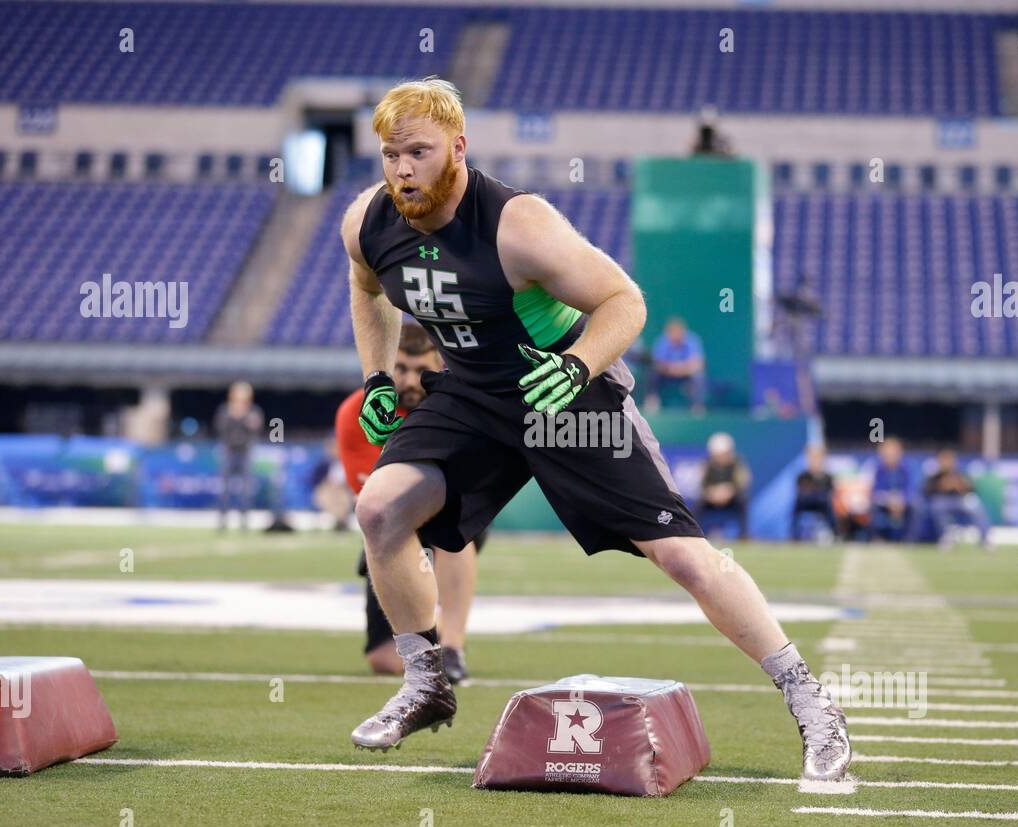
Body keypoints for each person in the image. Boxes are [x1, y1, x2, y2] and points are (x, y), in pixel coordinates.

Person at [340, 77, 849, 780]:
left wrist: (577, 367)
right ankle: (426, 683)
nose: (402, 170)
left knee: (684, 557)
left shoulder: (519, 223)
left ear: (458, 148)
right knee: (380, 506)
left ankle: (811, 700)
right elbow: (365, 288)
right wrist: (374, 376)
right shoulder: (368, 220)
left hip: (562, 390)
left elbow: (625, 300)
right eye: (391, 154)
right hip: (472, 396)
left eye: (419, 153)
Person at [335, 322, 480, 681]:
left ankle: (451, 647)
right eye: (400, 368)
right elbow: (374, 500)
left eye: (421, 370)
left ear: (440, 365)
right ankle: (425, 654)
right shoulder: (357, 413)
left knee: (452, 531)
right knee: (384, 660)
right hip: (394, 523)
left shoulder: (458, 408)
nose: (411, 381)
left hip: (451, 514)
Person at [213, 381, 263, 531]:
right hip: (229, 451)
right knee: (225, 488)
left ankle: (244, 520)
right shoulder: (225, 410)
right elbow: (220, 427)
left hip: (245, 451)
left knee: (246, 489)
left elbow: (257, 427)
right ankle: (223, 520)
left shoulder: (253, 411)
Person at [922, 449, 992, 549]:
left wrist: (961, 486)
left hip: (959, 501)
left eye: (948, 460)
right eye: (943, 460)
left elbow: (973, 490)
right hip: (943, 501)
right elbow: (927, 491)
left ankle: (985, 538)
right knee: (937, 506)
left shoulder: (959, 474)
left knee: (974, 504)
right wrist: (941, 487)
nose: (946, 463)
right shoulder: (935, 476)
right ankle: (946, 537)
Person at [647, 317, 707, 413]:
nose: (675, 335)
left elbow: (699, 363)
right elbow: (657, 363)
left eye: (678, 332)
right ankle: (652, 400)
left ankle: (697, 406)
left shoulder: (692, 340)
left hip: (686, 374)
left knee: (698, 375)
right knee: (653, 373)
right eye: (672, 332)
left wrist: (681, 369)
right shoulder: (663, 341)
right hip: (666, 373)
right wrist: (670, 368)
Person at [697, 432, 750, 540]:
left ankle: (744, 535)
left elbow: (743, 481)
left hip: (731, 497)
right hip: (711, 498)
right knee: (697, 507)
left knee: (743, 503)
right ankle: (696, 534)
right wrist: (711, 493)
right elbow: (703, 483)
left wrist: (730, 491)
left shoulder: (737, 463)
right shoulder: (707, 464)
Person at [865, 437, 914, 541]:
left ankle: (909, 540)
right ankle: (876, 538)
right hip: (883, 503)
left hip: (902, 503)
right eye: (887, 453)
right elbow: (874, 491)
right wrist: (889, 500)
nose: (890, 456)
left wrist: (901, 501)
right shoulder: (876, 468)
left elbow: (910, 490)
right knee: (871, 506)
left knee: (917, 506)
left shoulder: (906, 468)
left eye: (893, 453)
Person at [792, 444, 838, 540]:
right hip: (806, 504)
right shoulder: (802, 476)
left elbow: (830, 493)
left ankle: (833, 533)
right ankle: (794, 535)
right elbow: (803, 495)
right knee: (797, 504)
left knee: (830, 504)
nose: (815, 460)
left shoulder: (827, 477)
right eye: (813, 457)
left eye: (818, 457)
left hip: (823, 506)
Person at [310, 441, 353, 532]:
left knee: (343, 497)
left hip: (343, 489)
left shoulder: (346, 462)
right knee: (328, 495)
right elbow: (315, 479)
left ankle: (342, 521)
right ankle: (336, 520)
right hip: (327, 488)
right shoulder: (323, 464)